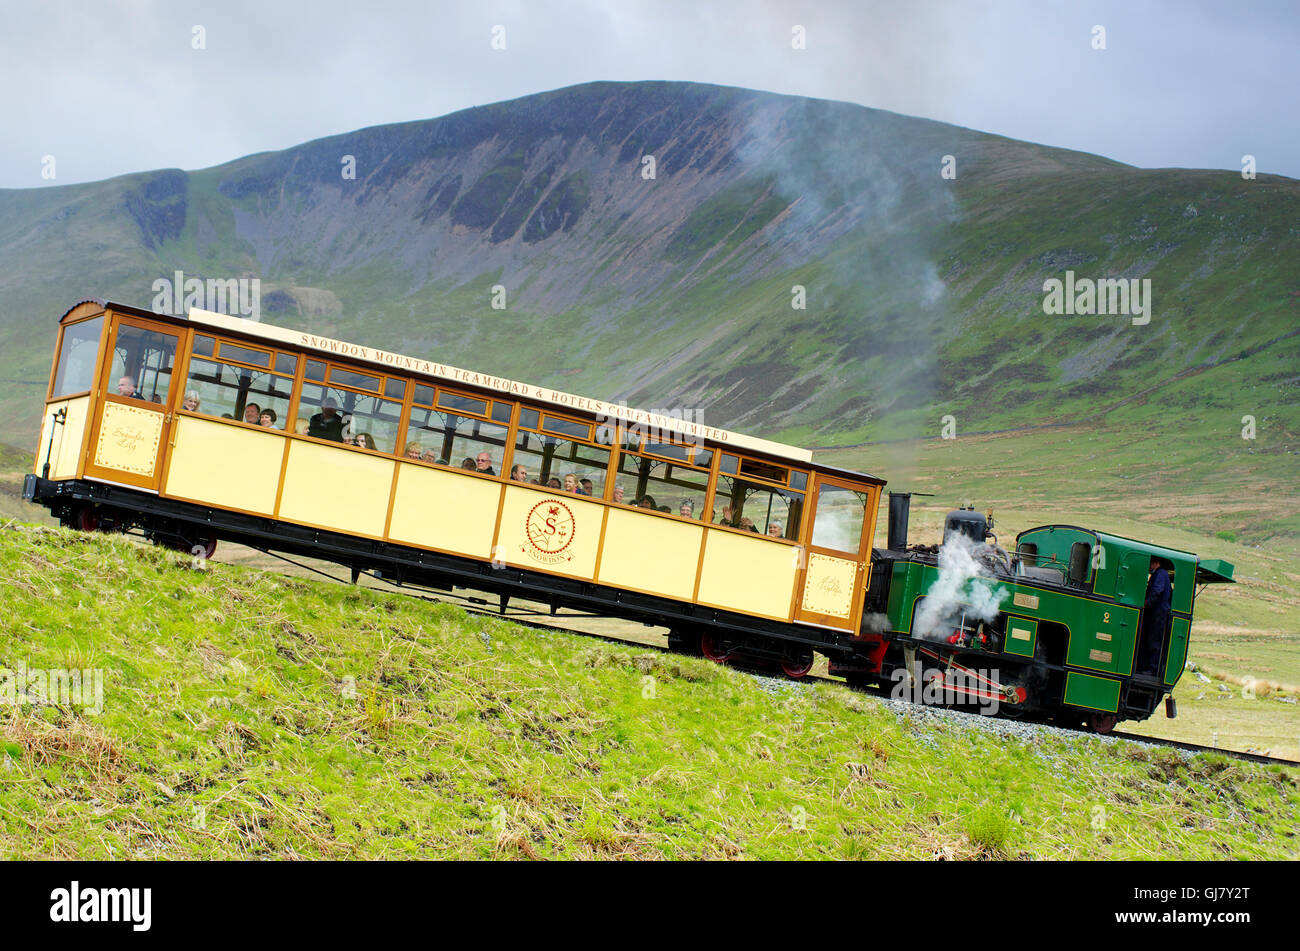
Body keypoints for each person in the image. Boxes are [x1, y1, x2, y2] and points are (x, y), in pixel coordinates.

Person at [1137, 557, 1173, 676]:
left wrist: (1146, 604)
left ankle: (1152, 669)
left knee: (1154, 640)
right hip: (1157, 611)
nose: (1149, 566)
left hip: (1158, 612)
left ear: (1156, 563)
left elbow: (1157, 591)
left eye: (1151, 564)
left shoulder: (1160, 574)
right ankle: (1147, 666)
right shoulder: (1160, 574)